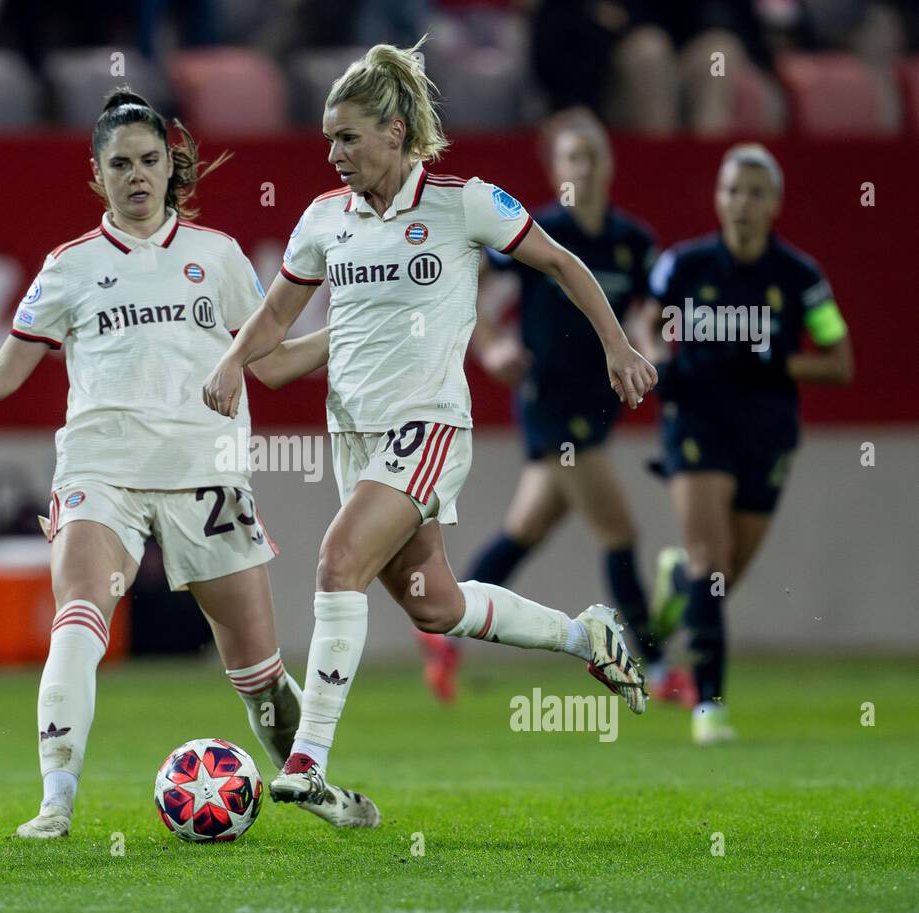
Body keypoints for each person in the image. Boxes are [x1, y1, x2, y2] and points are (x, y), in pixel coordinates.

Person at [0, 90, 376, 838]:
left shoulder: (216, 257)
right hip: (99, 471)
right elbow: (1, 371)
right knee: (78, 618)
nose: (137, 176)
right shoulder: (70, 268)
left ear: (168, 165)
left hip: (205, 476)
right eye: (121, 164)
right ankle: (56, 801)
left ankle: (315, 787)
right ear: (97, 174)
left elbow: (270, 365)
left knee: (259, 673)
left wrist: (351, 330)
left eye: (149, 161)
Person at [202, 40, 657, 807]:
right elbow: (277, 319)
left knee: (337, 559)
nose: (334, 154)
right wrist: (227, 362)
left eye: (348, 138)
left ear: (396, 132)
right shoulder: (324, 221)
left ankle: (306, 762)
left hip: (430, 427)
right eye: (327, 140)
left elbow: (562, 263)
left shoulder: (463, 202)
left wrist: (618, 345)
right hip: (357, 437)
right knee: (433, 603)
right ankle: (588, 635)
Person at [415, 110, 664, 704]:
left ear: (609, 164)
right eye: (571, 158)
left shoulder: (634, 243)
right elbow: (464, 273)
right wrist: (493, 344)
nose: (583, 167)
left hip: (600, 405)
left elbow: (649, 316)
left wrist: (651, 351)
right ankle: (655, 662)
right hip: (550, 403)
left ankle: (447, 631)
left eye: (592, 156)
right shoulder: (540, 233)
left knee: (525, 529)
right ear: (557, 170)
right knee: (619, 529)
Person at [642, 143, 853, 744]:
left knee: (720, 575)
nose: (743, 203)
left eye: (757, 193)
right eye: (733, 190)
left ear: (776, 204)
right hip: (697, 421)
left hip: (766, 431)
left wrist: (774, 362)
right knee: (714, 566)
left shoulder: (801, 277)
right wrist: (659, 359)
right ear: (718, 198)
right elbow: (647, 322)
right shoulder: (682, 266)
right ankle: (709, 707)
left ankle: (674, 582)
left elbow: (839, 359)